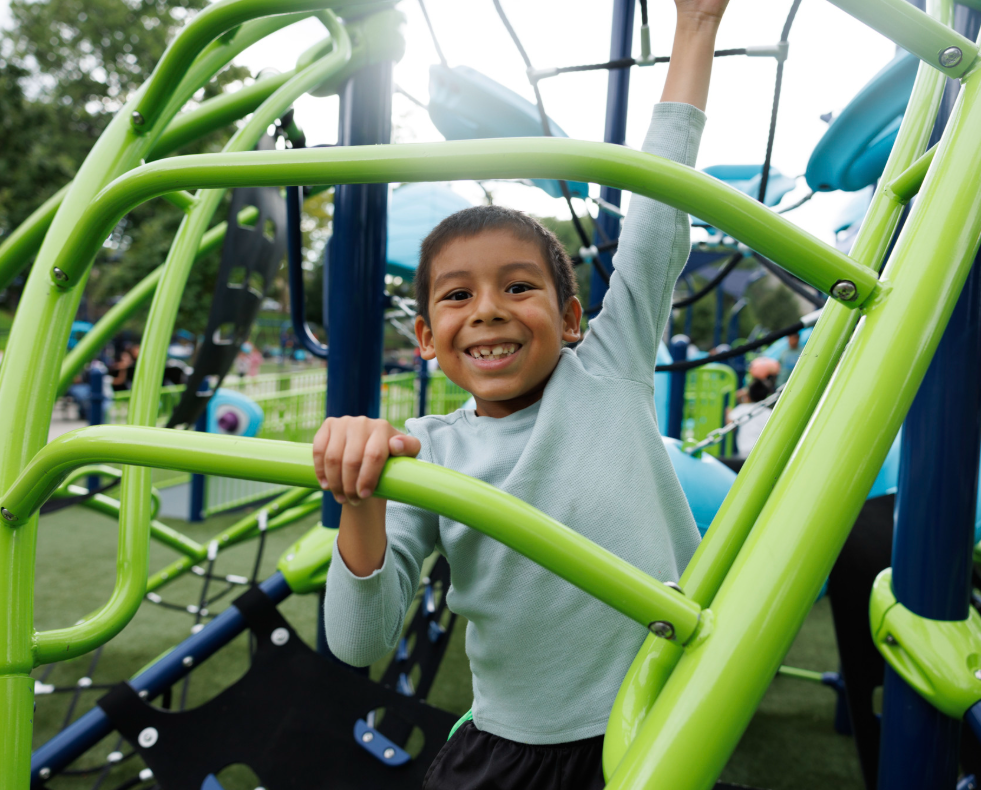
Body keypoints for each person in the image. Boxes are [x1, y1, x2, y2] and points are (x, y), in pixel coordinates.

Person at [312, 2, 729, 786]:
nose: (490, 309)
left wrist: (695, 28)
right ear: (428, 341)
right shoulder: (428, 450)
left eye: (517, 286)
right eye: (457, 296)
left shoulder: (609, 365)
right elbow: (360, 641)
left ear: (571, 318)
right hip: (513, 752)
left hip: (660, 724)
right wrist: (360, 498)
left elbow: (659, 212)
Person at [728, 375, 775, 455]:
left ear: (748, 395)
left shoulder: (742, 408)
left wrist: (728, 412)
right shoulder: (769, 412)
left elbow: (731, 426)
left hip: (745, 450)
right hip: (762, 450)